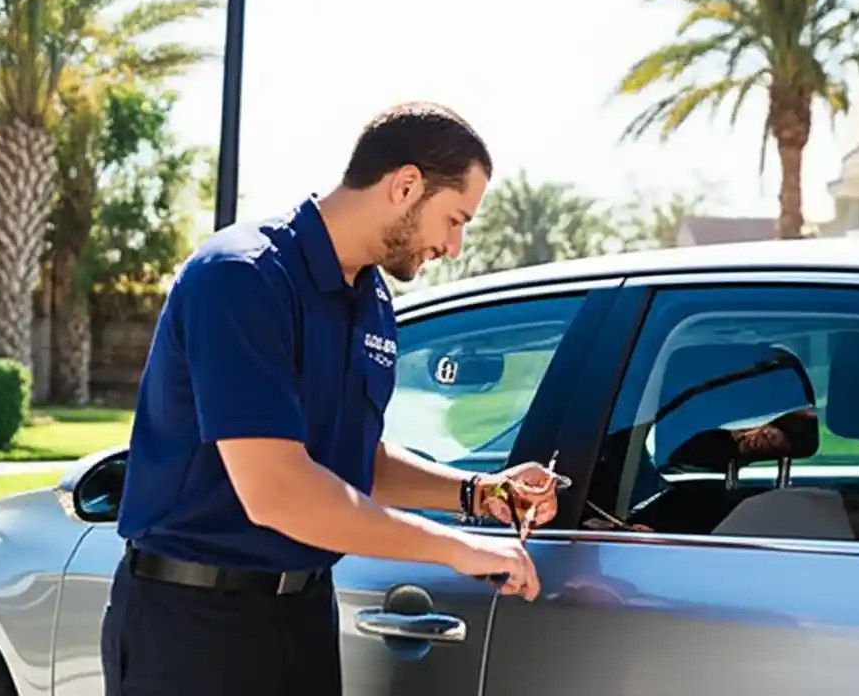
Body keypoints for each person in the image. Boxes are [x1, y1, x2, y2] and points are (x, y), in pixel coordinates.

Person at [100, 101, 563, 696]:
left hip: (304, 618)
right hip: (192, 628)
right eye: (454, 219)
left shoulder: (371, 299)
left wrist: (479, 493)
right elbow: (279, 491)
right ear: (405, 185)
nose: (455, 246)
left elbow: (350, 461)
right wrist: (456, 548)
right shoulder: (242, 277)